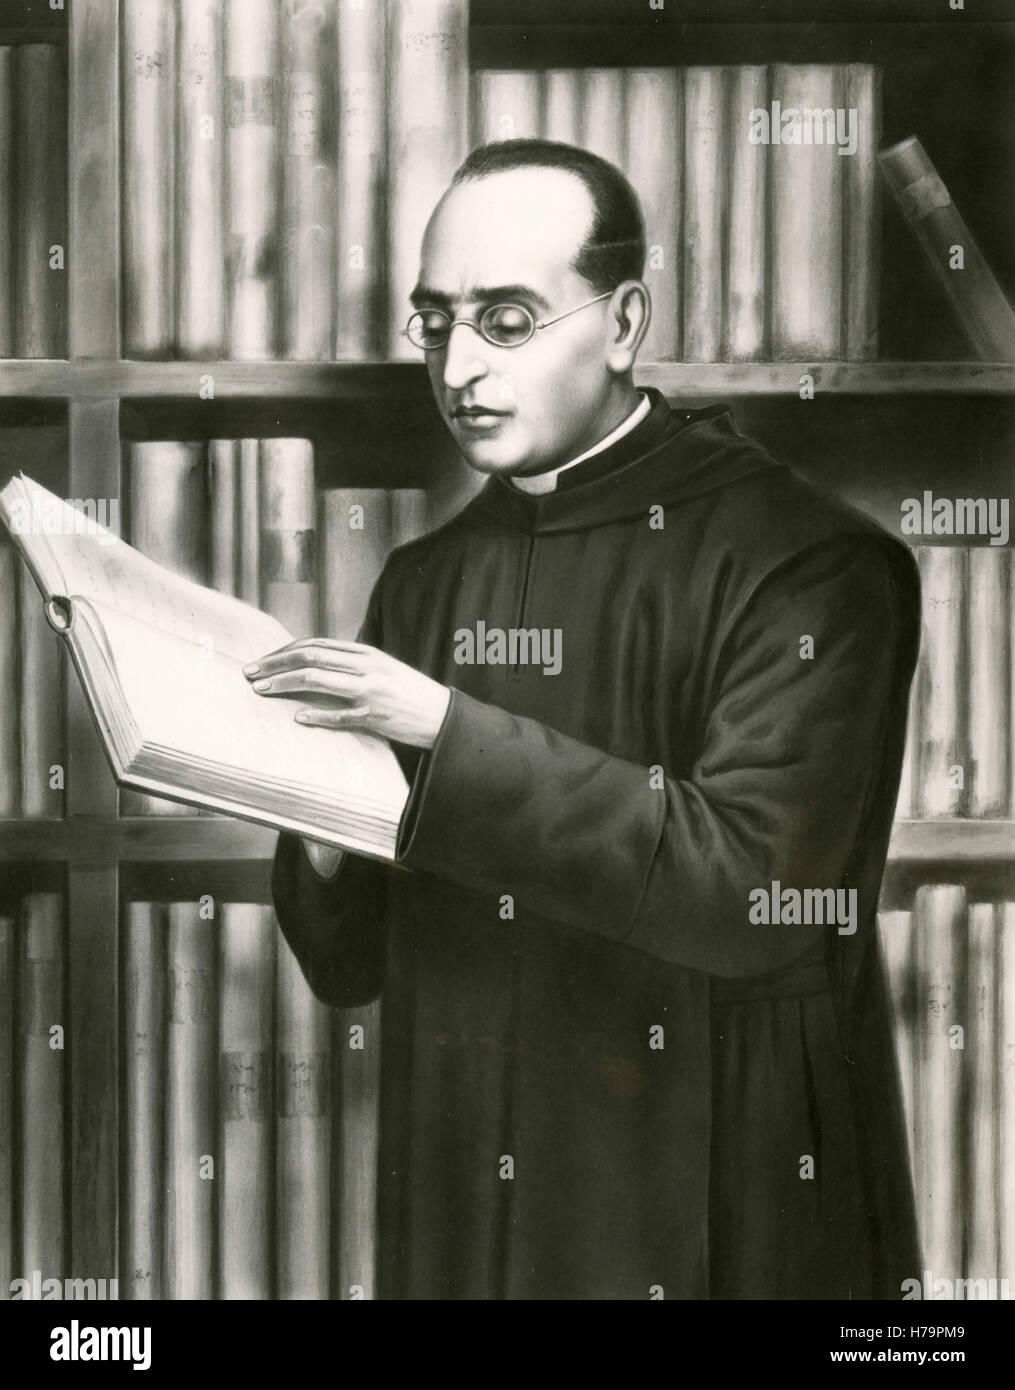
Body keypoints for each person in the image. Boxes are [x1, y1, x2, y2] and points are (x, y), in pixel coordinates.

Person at [251, 139, 922, 1300]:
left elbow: (749, 890)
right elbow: (353, 967)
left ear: (621, 324)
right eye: (435, 323)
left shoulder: (810, 561)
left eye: (505, 321)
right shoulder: (424, 582)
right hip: (468, 1193)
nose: (459, 365)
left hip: (708, 1196)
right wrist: (309, 816)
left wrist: (443, 731)